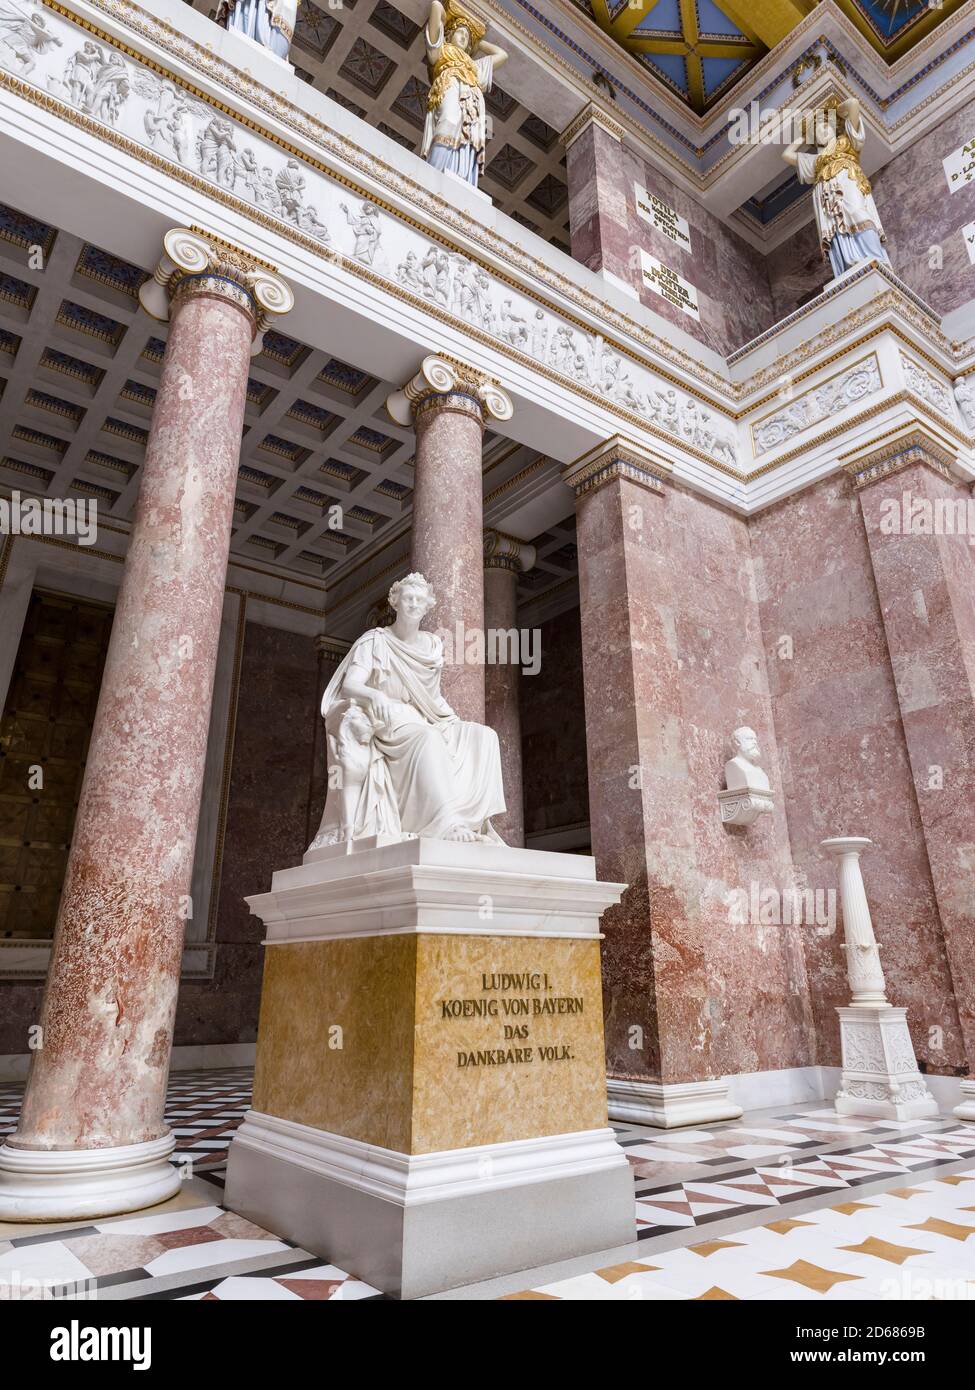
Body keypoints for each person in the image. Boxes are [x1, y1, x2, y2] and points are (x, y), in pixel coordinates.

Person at [309, 573, 506, 848]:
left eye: (419, 600)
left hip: (421, 716)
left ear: (428, 606)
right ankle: (446, 824)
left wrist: (452, 721)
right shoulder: (375, 641)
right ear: (395, 603)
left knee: (483, 737)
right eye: (408, 598)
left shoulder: (431, 645)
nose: (413, 604)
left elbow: (432, 697)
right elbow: (350, 685)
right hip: (386, 716)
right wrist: (373, 693)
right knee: (428, 738)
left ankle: (474, 822)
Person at [783, 96, 890, 278]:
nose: (822, 133)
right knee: (835, 232)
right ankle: (848, 270)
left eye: (825, 127)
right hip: (827, 196)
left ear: (833, 126)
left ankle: (877, 259)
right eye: (817, 133)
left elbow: (854, 103)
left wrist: (834, 113)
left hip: (848, 182)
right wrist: (805, 134)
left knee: (858, 212)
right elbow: (787, 154)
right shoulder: (816, 161)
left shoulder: (847, 143)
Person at [420, 0, 507, 188]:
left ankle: (461, 179)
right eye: (460, 32)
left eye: (468, 37)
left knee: (468, 138)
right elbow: (436, 6)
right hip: (449, 85)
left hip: (472, 98)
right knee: (449, 121)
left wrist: (478, 42)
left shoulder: (473, 66)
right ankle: (432, 174)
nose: (464, 37)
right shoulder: (441, 50)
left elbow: (502, 55)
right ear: (449, 34)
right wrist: (449, 19)